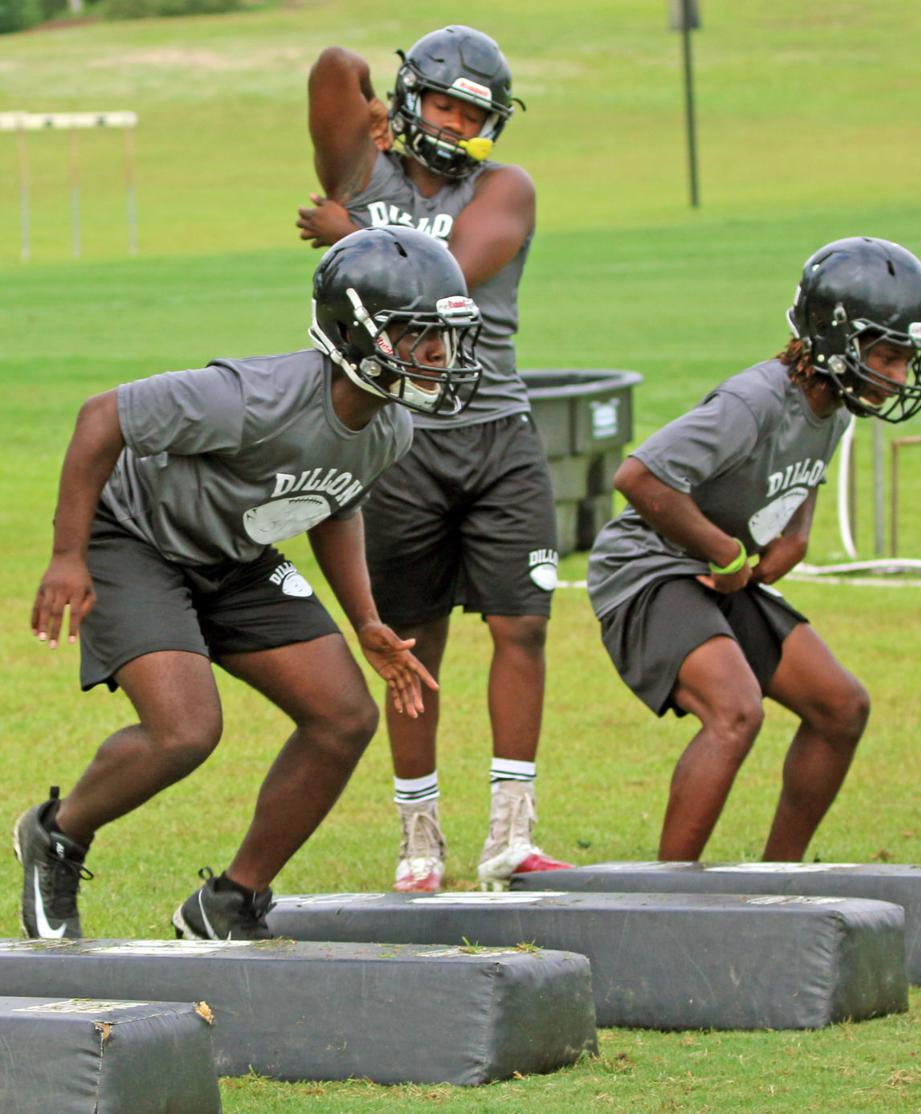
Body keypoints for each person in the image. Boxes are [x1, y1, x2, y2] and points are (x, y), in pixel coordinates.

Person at [14, 226, 481, 941]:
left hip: (234, 550)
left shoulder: (391, 428)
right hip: (135, 538)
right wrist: (68, 554)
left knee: (344, 716)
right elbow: (101, 417)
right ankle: (59, 833)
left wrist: (365, 621)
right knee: (185, 730)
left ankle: (229, 900)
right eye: (421, 337)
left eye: (445, 339)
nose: (439, 358)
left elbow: (334, 501)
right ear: (358, 335)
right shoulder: (250, 397)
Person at [299, 26, 571, 892]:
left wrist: (354, 235)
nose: (456, 125)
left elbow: (448, 275)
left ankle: (511, 833)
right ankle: (420, 839)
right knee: (409, 642)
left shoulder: (505, 186)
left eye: (474, 113)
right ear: (412, 98)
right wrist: (377, 104)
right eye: (443, 104)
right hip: (397, 441)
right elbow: (332, 68)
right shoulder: (365, 170)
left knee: (521, 624)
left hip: (497, 433)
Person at [587, 237, 921, 862]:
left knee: (841, 707)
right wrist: (725, 552)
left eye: (904, 360)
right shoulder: (751, 402)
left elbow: (803, 475)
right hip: (647, 568)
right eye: (887, 357)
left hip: (714, 572)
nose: (896, 376)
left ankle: (779, 881)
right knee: (734, 710)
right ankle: (662, 899)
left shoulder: (836, 407)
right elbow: (638, 478)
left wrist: (797, 536)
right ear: (835, 340)